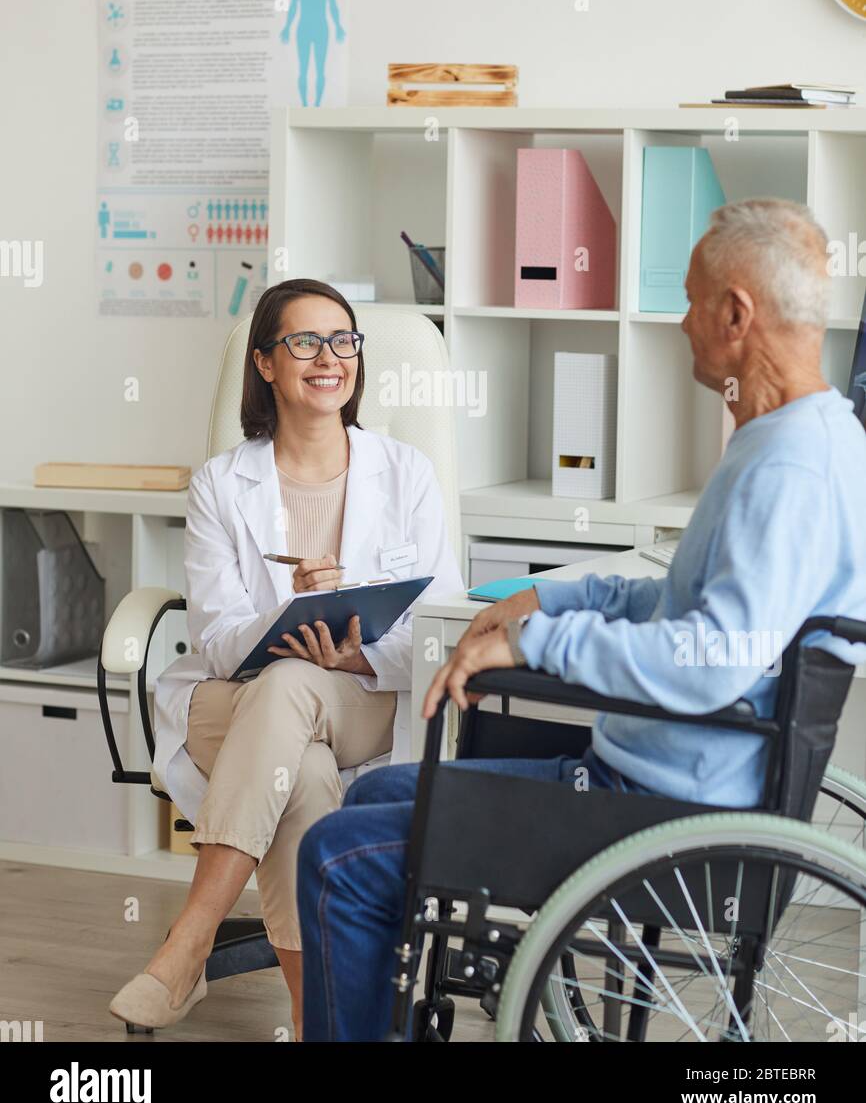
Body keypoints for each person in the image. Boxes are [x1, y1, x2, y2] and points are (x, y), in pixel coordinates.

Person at [296, 198, 866, 1042]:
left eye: (692, 300)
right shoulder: (799, 438)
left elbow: (710, 657)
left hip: (656, 811)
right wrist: (552, 599)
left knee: (335, 858)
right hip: (658, 778)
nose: (679, 324)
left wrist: (534, 642)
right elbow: (680, 604)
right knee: (378, 789)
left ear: (737, 315)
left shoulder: (790, 470)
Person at [108, 279, 462, 1038]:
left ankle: (189, 942)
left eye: (343, 341)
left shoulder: (407, 475)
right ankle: (314, 1019)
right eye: (304, 342)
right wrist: (288, 616)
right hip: (230, 699)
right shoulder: (219, 484)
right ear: (266, 363)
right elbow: (217, 637)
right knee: (296, 758)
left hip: (362, 699)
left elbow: (439, 625)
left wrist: (356, 652)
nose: (328, 358)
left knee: (300, 686)